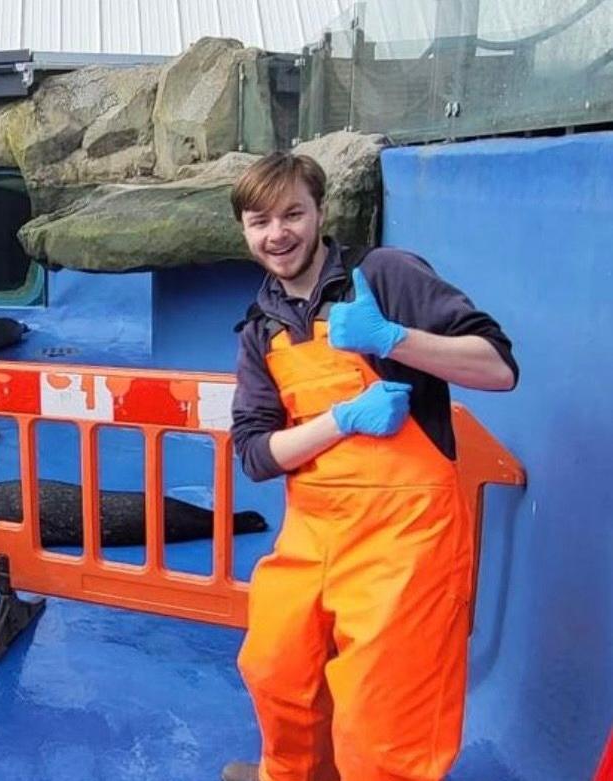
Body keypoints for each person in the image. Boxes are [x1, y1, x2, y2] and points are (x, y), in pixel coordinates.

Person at [220, 152, 518, 781]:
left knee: (382, 724)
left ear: (320, 212)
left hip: (406, 537)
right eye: (260, 221)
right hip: (313, 533)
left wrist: (392, 339)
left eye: (293, 214)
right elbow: (255, 454)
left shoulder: (384, 274)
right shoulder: (259, 328)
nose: (278, 234)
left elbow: (497, 367)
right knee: (275, 670)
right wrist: (342, 420)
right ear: (244, 229)